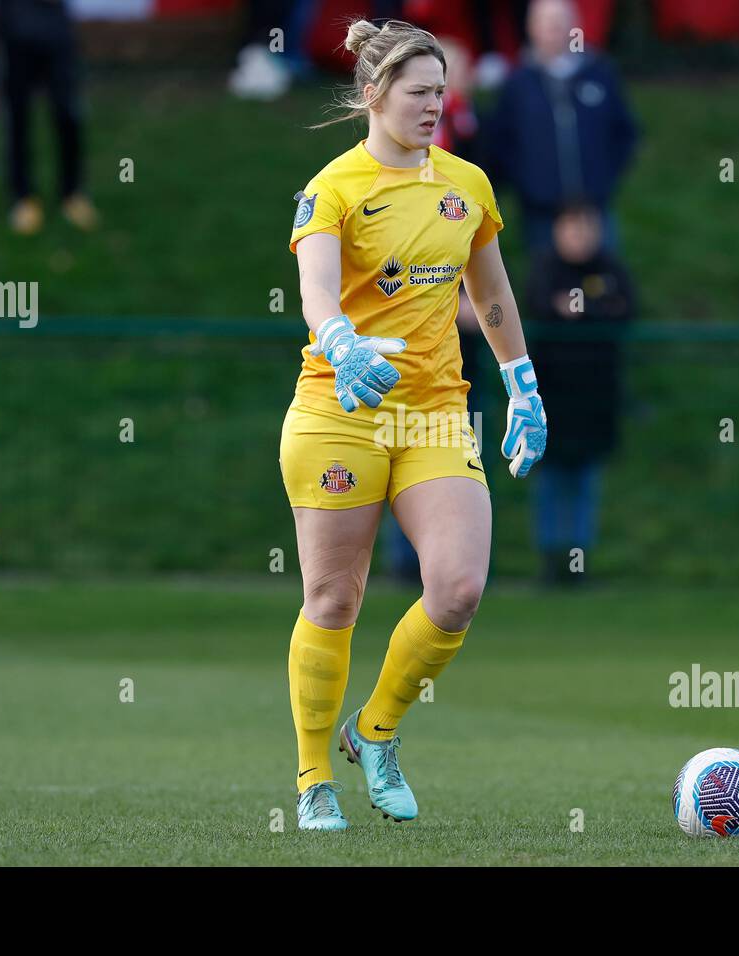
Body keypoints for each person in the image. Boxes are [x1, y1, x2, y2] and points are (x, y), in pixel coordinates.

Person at [280, 19, 547, 830]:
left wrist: (522, 384)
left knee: (459, 589)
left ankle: (378, 729)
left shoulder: (467, 183)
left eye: (441, 91)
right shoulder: (333, 187)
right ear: (374, 95)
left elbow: (491, 296)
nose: (437, 105)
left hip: (433, 412)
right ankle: (313, 778)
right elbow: (317, 292)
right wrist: (339, 341)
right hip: (340, 409)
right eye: (420, 92)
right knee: (333, 600)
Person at [527, 201, 634, 583]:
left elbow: (624, 308)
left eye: (586, 228)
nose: (580, 236)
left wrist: (581, 308)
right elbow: (539, 306)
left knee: (585, 480)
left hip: (595, 398)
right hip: (552, 397)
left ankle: (579, 561)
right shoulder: (544, 270)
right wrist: (593, 308)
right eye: (572, 228)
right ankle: (551, 561)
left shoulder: (610, 268)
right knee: (552, 479)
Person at [486, 0, 637, 253]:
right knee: (545, 283)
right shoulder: (518, 82)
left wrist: (604, 179)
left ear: (575, 25)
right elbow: (501, 142)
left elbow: (624, 133)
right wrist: (528, 183)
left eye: (560, 22)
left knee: (602, 281)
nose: (554, 30)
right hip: (540, 212)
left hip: (594, 208)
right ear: (531, 27)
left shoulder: (600, 73)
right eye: (546, 23)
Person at [0, 0, 98, 234]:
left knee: (68, 115)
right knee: (17, 119)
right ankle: (22, 197)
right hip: (15, 29)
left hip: (56, 31)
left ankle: (72, 194)